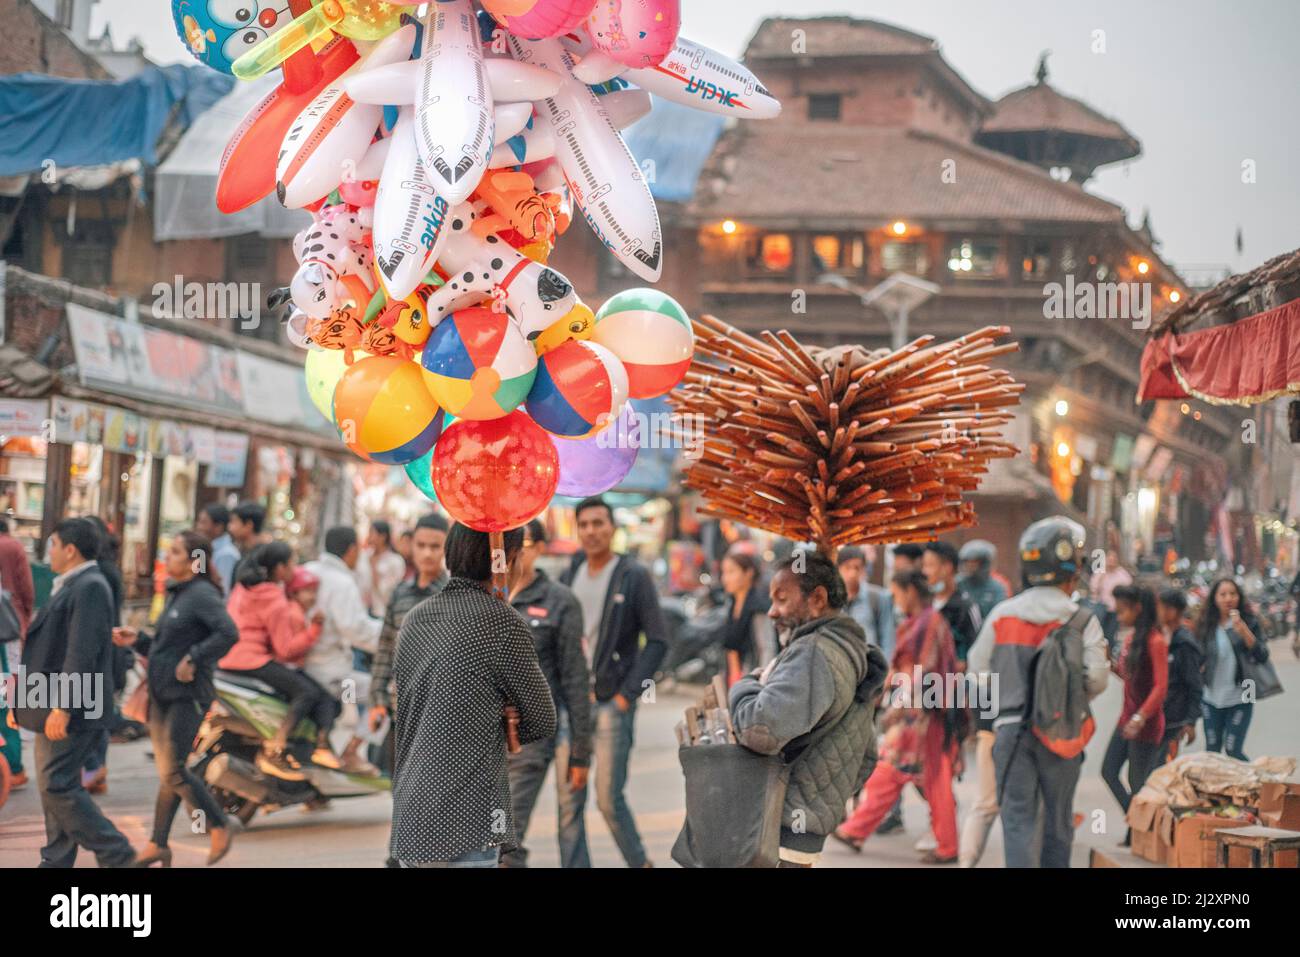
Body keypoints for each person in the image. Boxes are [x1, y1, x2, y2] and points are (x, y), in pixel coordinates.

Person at [389, 523, 556, 867]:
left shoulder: (415, 618)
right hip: (469, 815)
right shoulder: (501, 622)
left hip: (411, 812)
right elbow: (542, 718)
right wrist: (503, 721)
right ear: (506, 559)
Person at [729, 551, 888, 867]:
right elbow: (866, 755)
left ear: (817, 599)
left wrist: (745, 685)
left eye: (782, 599)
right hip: (802, 822)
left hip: (783, 822)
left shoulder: (814, 653)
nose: (773, 612)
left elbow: (758, 730)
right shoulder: (848, 649)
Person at [967, 517, 1109, 868]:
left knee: (1017, 822)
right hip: (1061, 733)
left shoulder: (1003, 614)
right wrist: (1064, 697)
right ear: (1072, 569)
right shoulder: (1081, 619)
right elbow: (1099, 679)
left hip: (1011, 733)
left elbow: (977, 670)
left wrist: (1006, 698)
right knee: (1058, 824)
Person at [10, 518, 136, 867]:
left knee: (57, 786)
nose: (47, 551)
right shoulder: (71, 583)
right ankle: (56, 860)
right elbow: (48, 649)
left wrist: (63, 707)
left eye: (52, 544)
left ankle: (116, 851)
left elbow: (81, 652)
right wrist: (19, 702)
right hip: (49, 697)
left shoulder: (90, 585)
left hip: (74, 703)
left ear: (70, 549)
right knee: (57, 786)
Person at [113, 532, 239, 867]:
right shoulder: (176, 594)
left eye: (176, 552)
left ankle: (219, 823)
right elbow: (166, 649)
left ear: (194, 560)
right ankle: (158, 844)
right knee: (169, 770)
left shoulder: (201, 595)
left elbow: (228, 633)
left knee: (173, 769)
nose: (168, 557)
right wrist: (138, 640)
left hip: (188, 696)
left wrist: (195, 658)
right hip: (162, 695)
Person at [558, 496, 669, 869]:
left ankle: (640, 863)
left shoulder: (632, 575)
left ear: (612, 528)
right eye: (584, 524)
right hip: (572, 703)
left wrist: (626, 696)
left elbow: (658, 641)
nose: (591, 531)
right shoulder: (570, 570)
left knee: (608, 799)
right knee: (569, 801)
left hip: (609, 704)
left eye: (598, 523)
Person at [832, 569, 961, 863]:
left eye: (898, 593)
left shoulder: (927, 624)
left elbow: (921, 672)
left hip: (922, 716)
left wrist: (898, 708)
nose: (896, 599)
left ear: (911, 592)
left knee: (912, 776)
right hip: (925, 714)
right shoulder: (924, 622)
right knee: (909, 775)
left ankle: (858, 829)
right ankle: (857, 829)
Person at [504, 519, 594, 868]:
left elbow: (575, 678)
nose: (514, 552)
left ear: (540, 548)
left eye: (523, 543)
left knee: (508, 836)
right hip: (484, 737)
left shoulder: (560, 602)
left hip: (533, 737)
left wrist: (580, 752)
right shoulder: (489, 595)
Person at [219, 542, 336, 778]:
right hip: (251, 661)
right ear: (280, 568)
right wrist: (314, 629)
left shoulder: (243, 587)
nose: (294, 569)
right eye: (292, 563)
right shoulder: (274, 596)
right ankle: (276, 747)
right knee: (308, 693)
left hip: (227, 658)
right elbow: (285, 649)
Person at [368, 514, 450, 775]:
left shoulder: (452, 596)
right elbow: (385, 648)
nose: (427, 553)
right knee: (401, 791)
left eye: (435, 546)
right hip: (400, 707)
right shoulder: (400, 594)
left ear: (446, 549)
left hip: (441, 713)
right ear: (411, 546)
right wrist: (378, 698)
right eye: (421, 545)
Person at [305, 527, 382, 775]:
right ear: (351, 550)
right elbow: (355, 629)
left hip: (302, 666)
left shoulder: (307, 570)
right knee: (384, 695)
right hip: (330, 674)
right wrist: (391, 636)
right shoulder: (342, 582)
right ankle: (352, 752)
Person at [1101, 585, 1168, 840]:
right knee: (1108, 771)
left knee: (1137, 782)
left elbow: (1161, 687)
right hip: (1126, 720)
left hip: (1146, 724)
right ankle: (1139, 824)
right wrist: (1108, 663)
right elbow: (1127, 678)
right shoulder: (1131, 639)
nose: (1118, 617)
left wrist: (1141, 717)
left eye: (1122, 611)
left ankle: (1138, 833)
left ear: (1137, 608)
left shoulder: (1156, 641)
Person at [80, 515, 129, 794]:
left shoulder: (99, 573)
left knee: (95, 710)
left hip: (105, 649)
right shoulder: (109, 570)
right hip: (111, 649)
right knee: (99, 708)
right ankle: (96, 770)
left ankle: (94, 767)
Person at [1196, 578, 1269, 761]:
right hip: (1211, 696)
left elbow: (1262, 655)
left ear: (1239, 597)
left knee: (1233, 749)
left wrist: (1244, 631)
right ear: (1214, 598)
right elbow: (1197, 656)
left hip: (1244, 693)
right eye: (1223, 594)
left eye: (1233, 594)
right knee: (1212, 751)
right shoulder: (1206, 625)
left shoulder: (1250, 622)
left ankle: (1255, 784)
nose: (1228, 598)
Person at [0, 516, 35, 790]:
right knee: (7, 696)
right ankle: (14, 767)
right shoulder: (13, 547)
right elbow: (26, 588)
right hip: (8, 632)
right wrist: (26, 617)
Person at [1156, 588, 1202, 762]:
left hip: (1173, 721)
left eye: (1160, 607)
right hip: (1157, 717)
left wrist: (1190, 722)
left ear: (1172, 611)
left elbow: (1195, 685)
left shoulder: (1184, 644)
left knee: (1163, 771)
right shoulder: (1159, 637)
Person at [716, 550, 774, 685]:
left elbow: (766, 649)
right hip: (733, 676)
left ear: (748, 573)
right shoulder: (731, 603)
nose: (725, 578)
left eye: (731, 572)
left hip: (753, 679)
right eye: (724, 572)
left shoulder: (758, 607)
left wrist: (761, 684)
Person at [838, 545, 895, 659]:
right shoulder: (832, 600)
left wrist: (885, 670)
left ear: (864, 569)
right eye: (847, 567)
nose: (852, 573)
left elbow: (888, 639)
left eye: (857, 568)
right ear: (838, 569)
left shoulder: (878, 597)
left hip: (870, 669)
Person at [359, 520, 407, 619]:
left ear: (383, 537)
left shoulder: (395, 561)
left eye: (372, 533)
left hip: (383, 613)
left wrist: (373, 568)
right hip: (362, 611)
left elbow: (390, 592)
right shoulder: (364, 555)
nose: (369, 536)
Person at [196, 504, 241, 597]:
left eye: (203, 522)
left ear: (218, 527)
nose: (199, 527)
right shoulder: (206, 549)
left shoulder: (226, 554)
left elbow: (223, 592)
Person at [957, 539, 1009, 620]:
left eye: (974, 563)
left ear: (984, 564)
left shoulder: (996, 588)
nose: (970, 566)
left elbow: (999, 616)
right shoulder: (957, 584)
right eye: (967, 562)